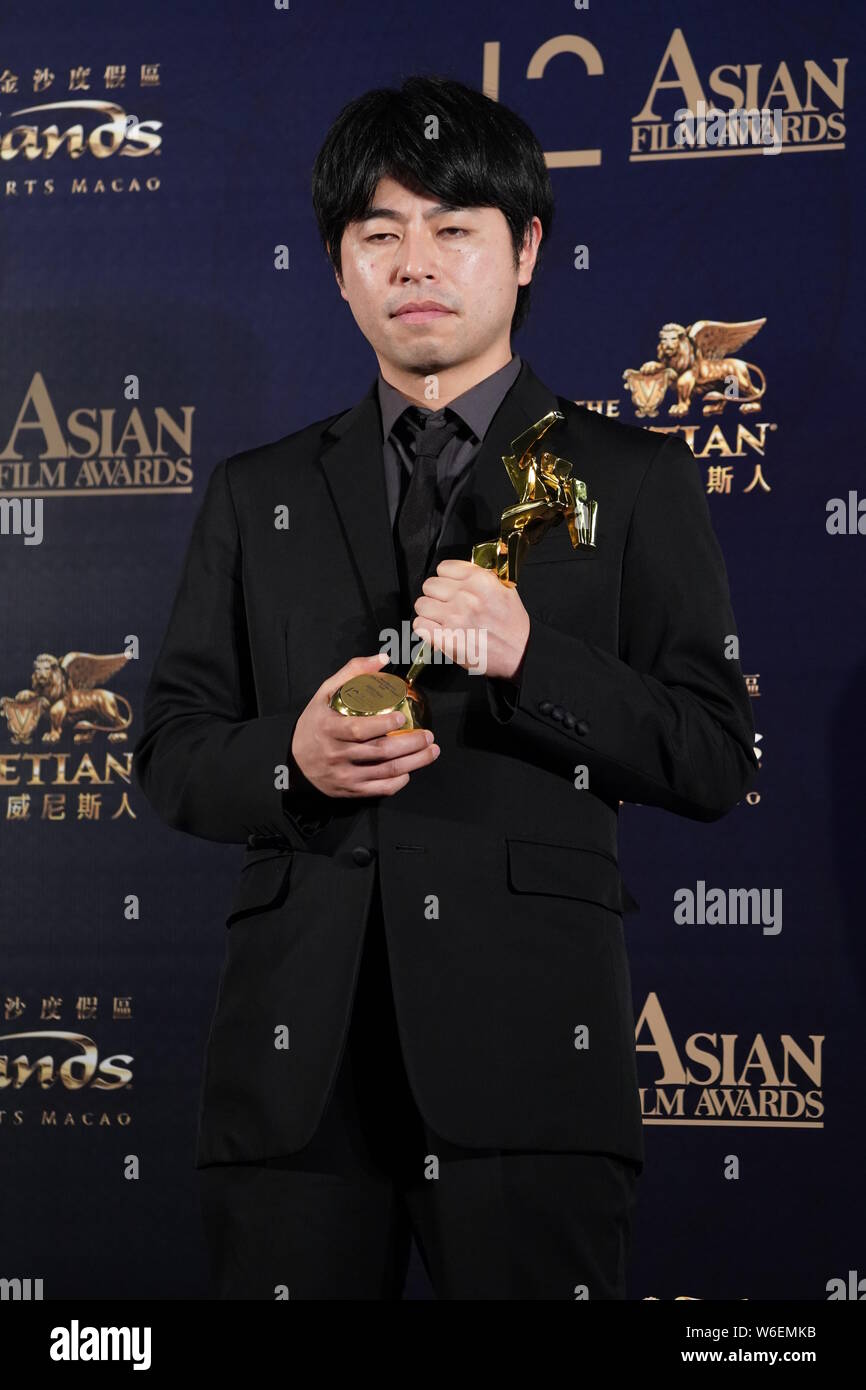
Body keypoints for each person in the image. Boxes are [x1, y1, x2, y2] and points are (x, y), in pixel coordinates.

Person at [133, 73, 758, 1300]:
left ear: (524, 249)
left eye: (452, 229)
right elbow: (168, 751)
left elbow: (712, 756)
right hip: (294, 1081)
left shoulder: (631, 479)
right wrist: (289, 759)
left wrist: (534, 657)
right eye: (379, 234)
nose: (414, 262)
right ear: (337, 266)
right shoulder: (252, 490)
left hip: (531, 1068)